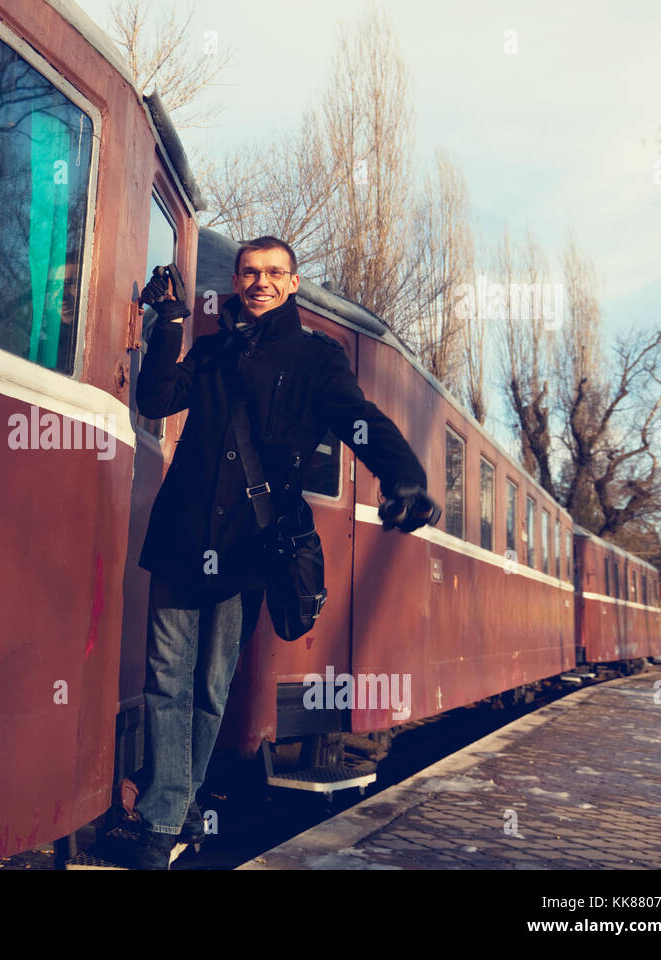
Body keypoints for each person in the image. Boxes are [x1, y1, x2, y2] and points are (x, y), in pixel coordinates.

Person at [130, 236, 439, 870]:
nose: (260, 281)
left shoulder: (316, 359)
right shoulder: (212, 350)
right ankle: (164, 820)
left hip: (248, 546)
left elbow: (358, 420)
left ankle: (179, 804)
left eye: (273, 272)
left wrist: (402, 476)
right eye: (250, 272)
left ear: (293, 283)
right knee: (166, 679)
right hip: (184, 535)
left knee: (211, 687)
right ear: (238, 282)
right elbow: (156, 400)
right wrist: (169, 323)